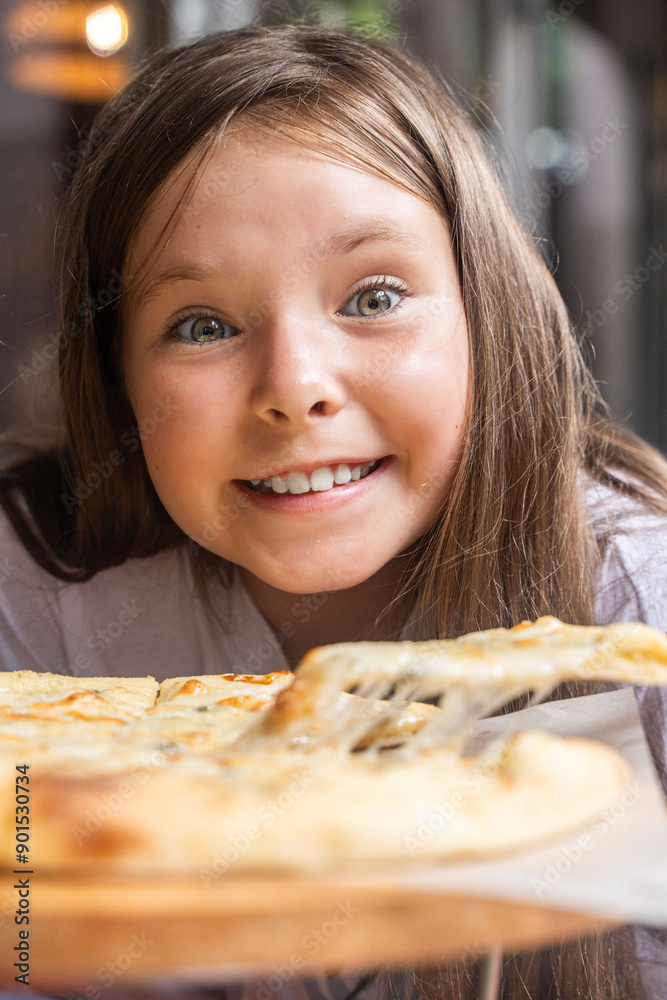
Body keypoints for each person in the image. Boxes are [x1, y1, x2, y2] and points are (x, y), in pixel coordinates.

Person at [1, 22, 666, 1000]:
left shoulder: (632, 595)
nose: (295, 387)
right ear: (113, 378)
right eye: (203, 325)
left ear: (489, 317)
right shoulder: (34, 600)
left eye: (374, 296)